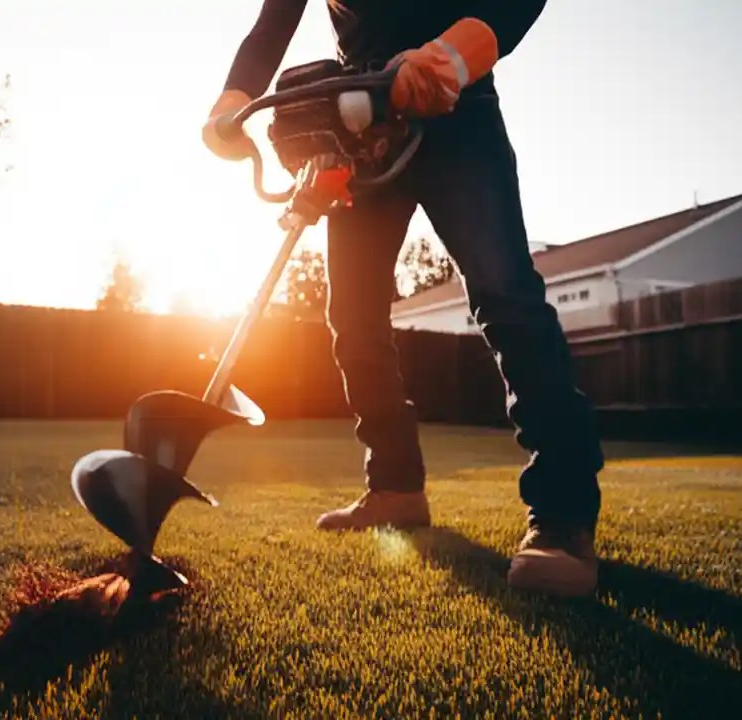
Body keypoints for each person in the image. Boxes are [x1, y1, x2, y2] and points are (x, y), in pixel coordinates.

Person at [201, 0, 606, 596]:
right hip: (359, 120)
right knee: (353, 320)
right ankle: (394, 488)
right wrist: (233, 102)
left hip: (457, 107)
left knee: (506, 296)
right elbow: (270, 26)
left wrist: (450, 52)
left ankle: (564, 514)